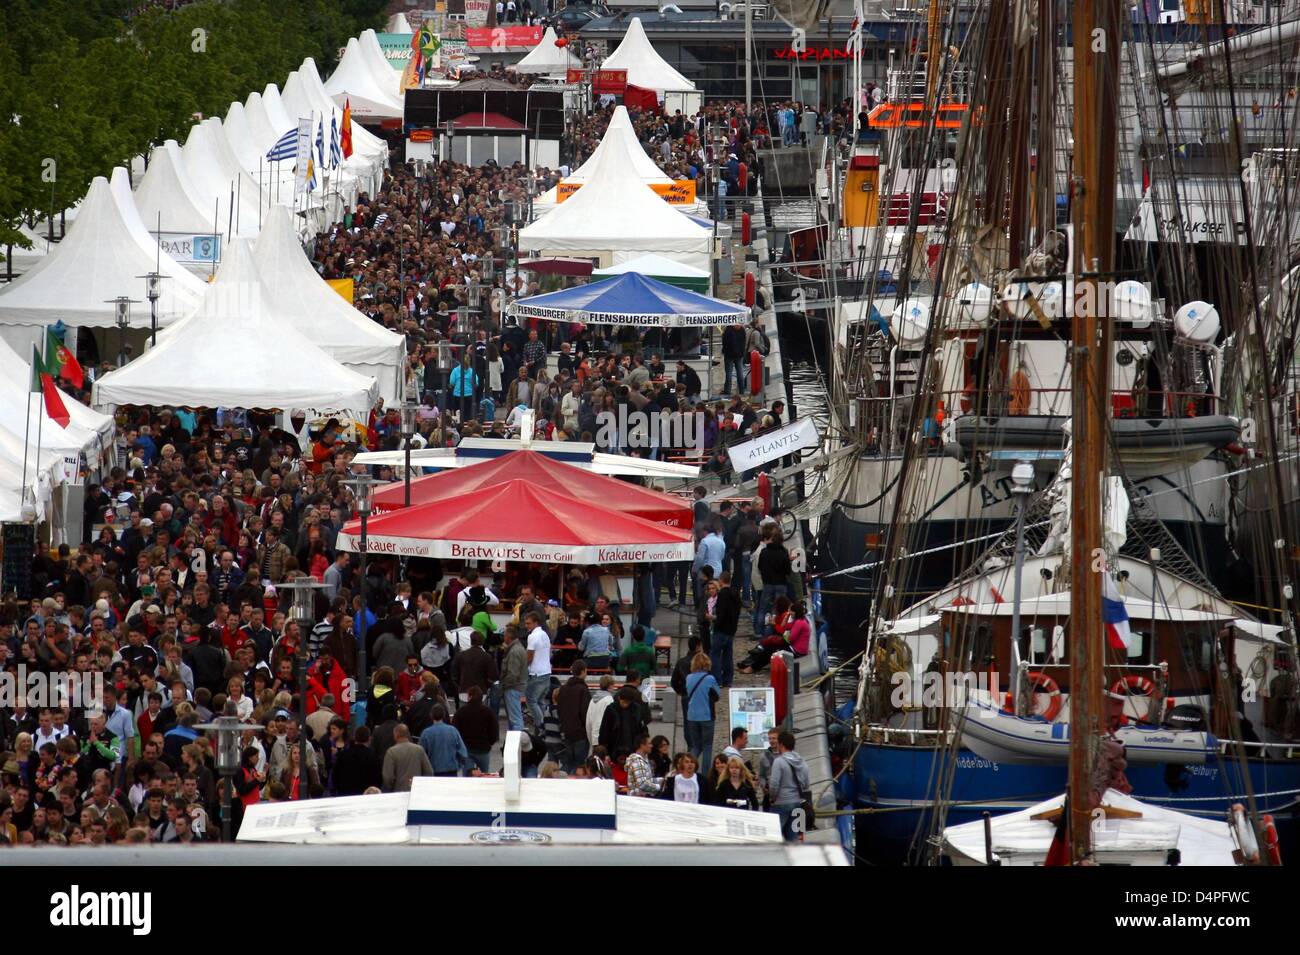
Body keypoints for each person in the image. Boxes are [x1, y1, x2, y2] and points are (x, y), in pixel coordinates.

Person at [739, 599, 811, 673]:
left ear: (796, 612)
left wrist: (780, 637)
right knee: (770, 648)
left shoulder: (799, 623)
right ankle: (752, 666)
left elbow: (790, 639)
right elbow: (785, 627)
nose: (790, 613)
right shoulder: (800, 620)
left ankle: (752, 667)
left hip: (796, 651)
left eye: (791, 611)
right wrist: (786, 618)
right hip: (794, 648)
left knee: (770, 651)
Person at [768, 730, 811, 841]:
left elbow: (773, 785)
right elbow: (806, 785)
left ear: (781, 744)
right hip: (797, 804)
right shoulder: (802, 762)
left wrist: (772, 798)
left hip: (781, 803)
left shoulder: (779, 762)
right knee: (793, 838)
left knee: (774, 837)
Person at [682, 652, 721, 769]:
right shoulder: (710, 679)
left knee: (696, 746)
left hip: (692, 716)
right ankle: (705, 774)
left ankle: (688, 768)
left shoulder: (688, 678)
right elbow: (717, 695)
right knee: (707, 746)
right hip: (706, 716)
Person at [556, 660, 592, 773]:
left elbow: (559, 709)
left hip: (566, 732)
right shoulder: (583, 690)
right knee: (578, 765)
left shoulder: (563, 689)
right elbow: (585, 713)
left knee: (566, 763)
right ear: (583, 671)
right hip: (580, 733)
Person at [452, 686, 498, 773]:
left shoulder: (461, 712)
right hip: (483, 749)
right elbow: (494, 730)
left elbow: (455, 730)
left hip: (467, 749)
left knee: (468, 775)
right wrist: (491, 742)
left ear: (469, 697)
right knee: (484, 775)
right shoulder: (488, 712)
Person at [381, 723, 434, 792]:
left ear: (396, 735)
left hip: (398, 791)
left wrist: (390, 788)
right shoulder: (419, 749)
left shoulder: (391, 752)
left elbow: (388, 777)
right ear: (407, 734)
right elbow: (429, 772)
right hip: (416, 791)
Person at [523, 611, 552, 731]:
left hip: (536, 673)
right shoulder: (545, 634)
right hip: (546, 671)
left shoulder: (532, 636)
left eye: (529, 623)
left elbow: (529, 657)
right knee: (540, 701)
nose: (526, 626)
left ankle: (541, 726)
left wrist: (522, 669)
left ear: (535, 622)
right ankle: (545, 724)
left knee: (531, 700)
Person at [499, 623, 528, 732]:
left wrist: (503, 684)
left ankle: (517, 743)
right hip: (517, 687)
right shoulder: (518, 648)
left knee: (515, 719)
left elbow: (512, 674)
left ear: (508, 637)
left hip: (513, 688)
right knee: (514, 718)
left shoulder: (514, 651)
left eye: (504, 635)